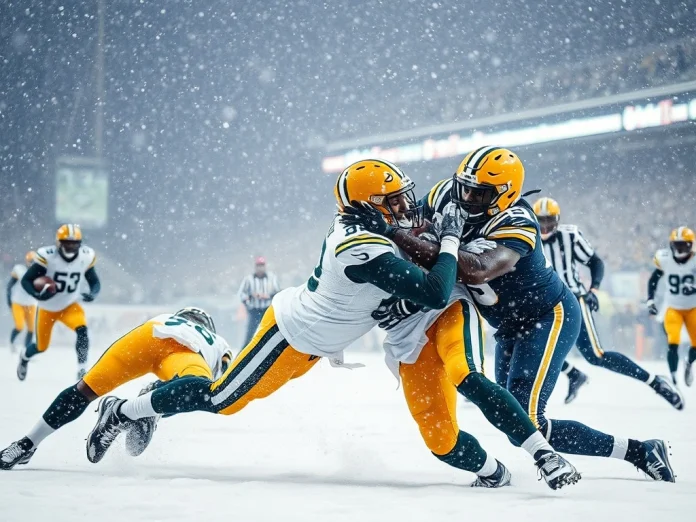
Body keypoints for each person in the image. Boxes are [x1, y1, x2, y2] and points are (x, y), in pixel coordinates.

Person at [85, 159, 575, 488]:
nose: (407, 207)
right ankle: (128, 409)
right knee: (223, 400)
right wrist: (447, 244)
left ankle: (507, 466)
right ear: (368, 208)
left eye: (405, 198)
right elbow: (429, 281)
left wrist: (429, 252)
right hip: (301, 335)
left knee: (458, 395)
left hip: (418, 320)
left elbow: (436, 274)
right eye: (393, 202)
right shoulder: (361, 244)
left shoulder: (393, 221)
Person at [350, 146, 676, 483]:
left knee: (528, 418)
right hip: (506, 323)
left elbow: (476, 270)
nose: (466, 197)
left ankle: (638, 451)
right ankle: (640, 450)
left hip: (545, 316)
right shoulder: (447, 194)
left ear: (506, 194)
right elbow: (415, 232)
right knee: (517, 419)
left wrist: (418, 236)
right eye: (464, 186)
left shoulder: (516, 222)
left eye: (479, 193)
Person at [0, 307, 231, 469]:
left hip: (150, 336)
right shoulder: (219, 342)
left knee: (84, 390)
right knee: (197, 390)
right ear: (209, 326)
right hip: (190, 354)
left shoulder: (169, 317)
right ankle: (146, 407)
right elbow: (225, 377)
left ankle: (26, 443)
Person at [533, 197, 682, 408]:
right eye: (541, 221)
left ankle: (654, 381)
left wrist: (593, 289)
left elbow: (595, 262)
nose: (545, 226)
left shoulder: (569, 235)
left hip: (574, 299)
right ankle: (573, 374)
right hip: (546, 305)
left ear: (558, 220)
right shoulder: (530, 237)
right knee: (532, 346)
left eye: (549, 221)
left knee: (595, 355)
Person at [18, 224, 101, 380]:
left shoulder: (86, 256)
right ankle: (25, 357)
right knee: (41, 347)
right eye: (67, 243)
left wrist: (93, 293)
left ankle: (82, 369)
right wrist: (37, 294)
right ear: (59, 242)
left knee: (82, 331)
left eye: (74, 243)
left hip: (70, 304)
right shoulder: (47, 257)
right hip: (47, 308)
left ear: (80, 243)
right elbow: (26, 280)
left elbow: (94, 282)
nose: (70, 246)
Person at [647, 226, 696, 386]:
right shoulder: (665, 259)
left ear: (691, 245)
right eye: (677, 245)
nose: (680, 249)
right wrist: (650, 300)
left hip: (693, 308)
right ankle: (674, 379)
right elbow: (653, 279)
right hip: (673, 307)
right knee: (672, 341)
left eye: (684, 245)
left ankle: (688, 362)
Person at [238, 256, 280, 345]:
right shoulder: (248, 279)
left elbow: (277, 293)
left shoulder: (272, 278)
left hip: (267, 310)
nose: (260, 268)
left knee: (268, 333)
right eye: (258, 265)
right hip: (254, 310)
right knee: (250, 334)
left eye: (262, 265)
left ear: (265, 266)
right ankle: (243, 356)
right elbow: (242, 294)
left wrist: (267, 296)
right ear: (255, 267)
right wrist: (251, 297)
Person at [6, 251, 38, 353]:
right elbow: (10, 286)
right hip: (18, 302)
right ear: (27, 261)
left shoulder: (41, 272)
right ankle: (11, 343)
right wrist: (9, 300)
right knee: (19, 326)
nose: (33, 264)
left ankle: (26, 350)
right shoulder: (19, 270)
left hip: (32, 303)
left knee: (31, 329)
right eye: (31, 261)